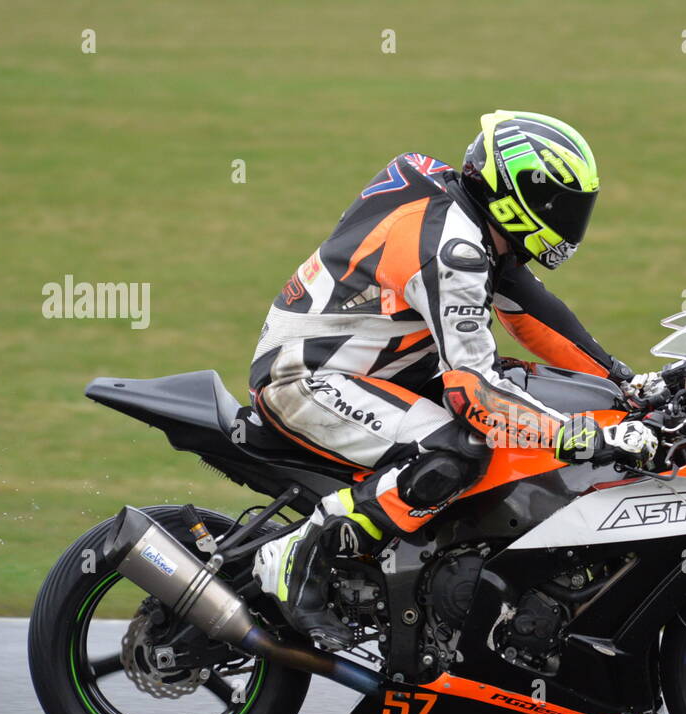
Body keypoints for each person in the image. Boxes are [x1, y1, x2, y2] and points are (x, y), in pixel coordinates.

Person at [249, 110, 657, 638]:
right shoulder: (456, 252)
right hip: (308, 376)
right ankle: (302, 555)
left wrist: (625, 384)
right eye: (560, 205)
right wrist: (586, 437)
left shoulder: (457, 206)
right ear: (515, 194)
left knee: (528, 394)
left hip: (373, 363)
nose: (572, 219)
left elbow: (529, 310)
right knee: (458, 449)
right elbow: (475, 398)